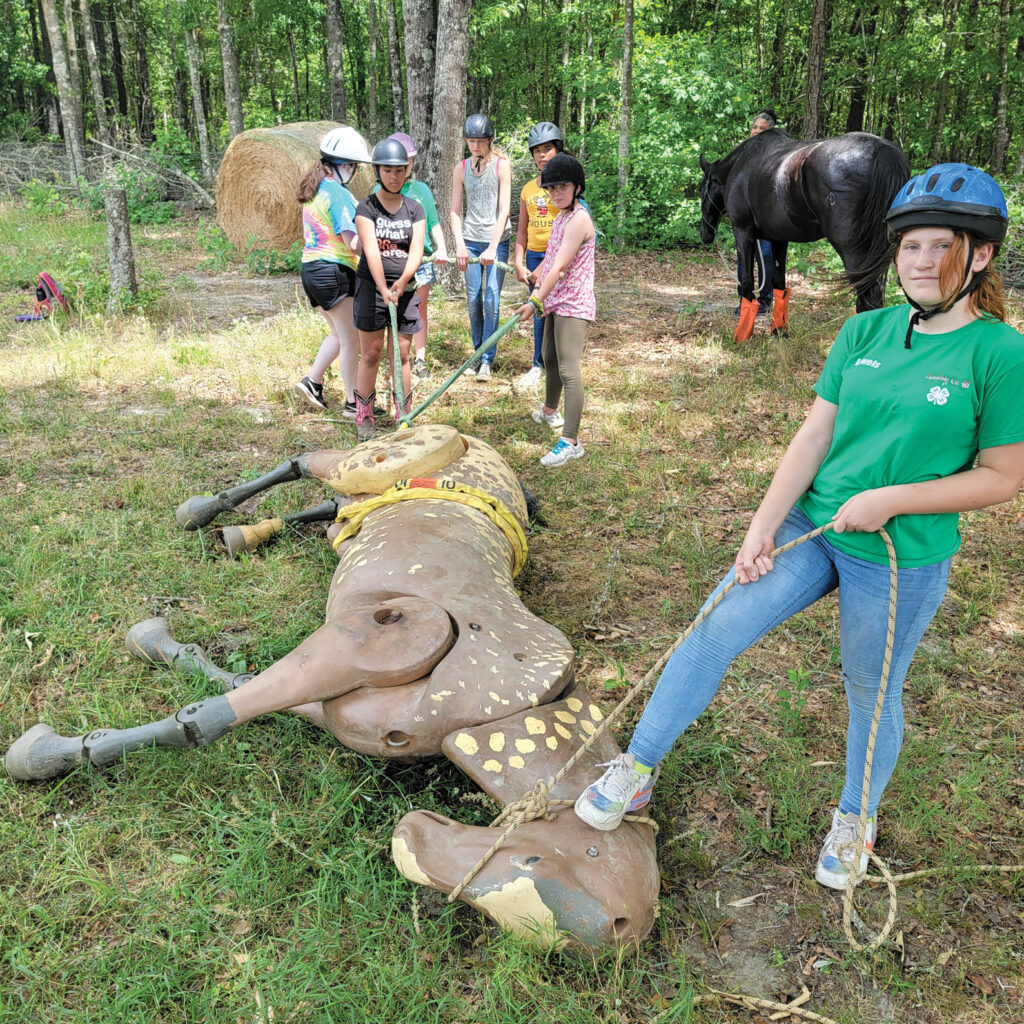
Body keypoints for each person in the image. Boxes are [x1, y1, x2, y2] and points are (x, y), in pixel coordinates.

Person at [575, 163, 1024, 890]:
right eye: (909, 245)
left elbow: (1004, 477)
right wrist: (762, 527)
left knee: (869, 689)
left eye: (940, 246)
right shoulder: (864, 331)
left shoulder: (999, 354)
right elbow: (813, 438)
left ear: (979, 255)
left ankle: (856, 816)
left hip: (898, 552)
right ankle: (638, 766)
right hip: (815, 523)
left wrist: (895, 499)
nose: (919, 260)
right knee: (713, 628)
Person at [514, 153, 596, 468]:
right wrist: (537, 280)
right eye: (551, 188)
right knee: (549, 357)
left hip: (573, 304)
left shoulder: (579, 219)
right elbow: (551, 259)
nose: (556, 193)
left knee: (568, 369)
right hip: (556, 299)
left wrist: (534, 300)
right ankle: (550, 410)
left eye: (562, 186)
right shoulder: (562, 216)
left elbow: (560, 264)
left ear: (577, 187)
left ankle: (571, 441)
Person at [352, 138, 426, 442]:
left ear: (407, 170)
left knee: (403, 354)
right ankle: (364, 416)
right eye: (387, 170)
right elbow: (370, 251)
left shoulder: (415, 209)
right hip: (372, 289)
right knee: (371, 352)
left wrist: (401, 282)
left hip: (405, 290)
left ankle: (402, 414)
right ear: (377, 171)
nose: (394, 176)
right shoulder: (366, 208)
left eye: (399, 170)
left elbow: (417, 251)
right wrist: (383, 288)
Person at [294, 126, 371, 416]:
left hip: (311, 271)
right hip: (334, 272)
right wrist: (381, 248)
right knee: (352, 340)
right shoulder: (338, 194)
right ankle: (354, 404)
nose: (355, 172)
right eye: (354, 166)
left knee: (339, 336)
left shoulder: (316, 190)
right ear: (344, 166)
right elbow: (352, 244)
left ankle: (312, 382)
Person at [375, 131, 448, 381]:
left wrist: (442, 247)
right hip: (391, 259)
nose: (400, 170)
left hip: (422, 261)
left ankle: (420, 358)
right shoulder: (377, 191)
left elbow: (434, 223)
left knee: (418, 310)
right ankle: (395, 359)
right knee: (390, 310)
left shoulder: (421, 190)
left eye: (407, 162)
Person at [451, 114, 512, 382]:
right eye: (471, 140)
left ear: (489, 140)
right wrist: (460, 245)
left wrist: (493, 245)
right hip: (471, 241)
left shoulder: (501, 166)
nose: (475, 145)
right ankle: (477, 354)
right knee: (474, 299)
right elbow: (454, 211)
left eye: (480, 140)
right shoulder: (460, 168)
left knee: (491, 297)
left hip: (496, 241)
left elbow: (505, 209)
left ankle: (487, 358)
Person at [514, 121, 564, 389]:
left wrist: (548, 263)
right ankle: (538, 364)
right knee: (538, 308)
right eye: (537, 151)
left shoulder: (565, 187)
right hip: (534, 256)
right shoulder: (528, 190)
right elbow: (522, 231)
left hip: (558, 257)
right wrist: (519, 262)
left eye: (548, 149)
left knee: (559, 309)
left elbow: (570, 232)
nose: (542, 155)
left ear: (558, 150)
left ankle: (558, 362)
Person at [737, 108, 777, 317]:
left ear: (770, 132)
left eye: (762, 128)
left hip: (767, 218)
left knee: (766, 256)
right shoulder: (742, 153)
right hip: (745, 218)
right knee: (744, 257)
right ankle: (744, 299)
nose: (757, 131)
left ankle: (765, 300)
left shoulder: (775, 155)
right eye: (754, 127)